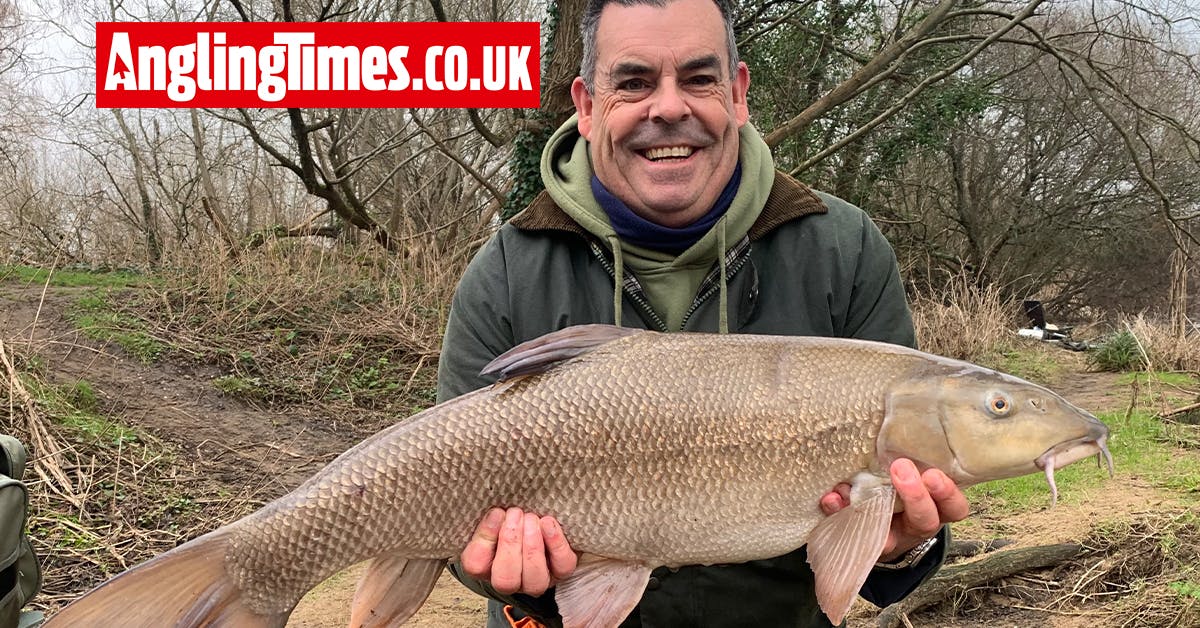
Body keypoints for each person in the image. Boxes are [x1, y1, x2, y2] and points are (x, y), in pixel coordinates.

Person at [435, 0, 971, 625]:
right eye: (634, 82)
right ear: (585, 106)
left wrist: (906, 548)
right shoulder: (506, 272)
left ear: (738, 93)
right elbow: (449, 517)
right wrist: (514, 581)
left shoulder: (843, 250)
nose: (668, 108)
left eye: (698, 78)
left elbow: (887, 550)